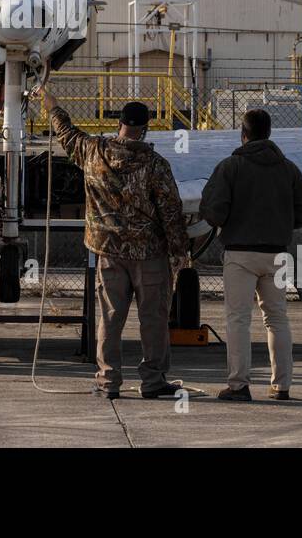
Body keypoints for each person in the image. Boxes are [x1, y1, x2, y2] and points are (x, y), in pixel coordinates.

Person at [41, 89, 186, 400]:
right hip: (148, 253)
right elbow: (171, 211)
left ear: (119, 123)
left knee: (110, 317)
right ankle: (153, 380)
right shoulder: (156, 164)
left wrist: (51, 102)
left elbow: (66, 132)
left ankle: (109, 381)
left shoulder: (93, 151)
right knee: (153, 318)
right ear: (146, 128)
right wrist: (179, 252)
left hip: (108, 251)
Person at [199, 108, 302, 402]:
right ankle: (282, 385)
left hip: (240, 252)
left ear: (243, 133)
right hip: (276, 253)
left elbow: (213, 210)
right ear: (270, 133)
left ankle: (239, 385)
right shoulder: (288, 168)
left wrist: (227, 219)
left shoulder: (230, 166)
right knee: (277, 319)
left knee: (238, 319)